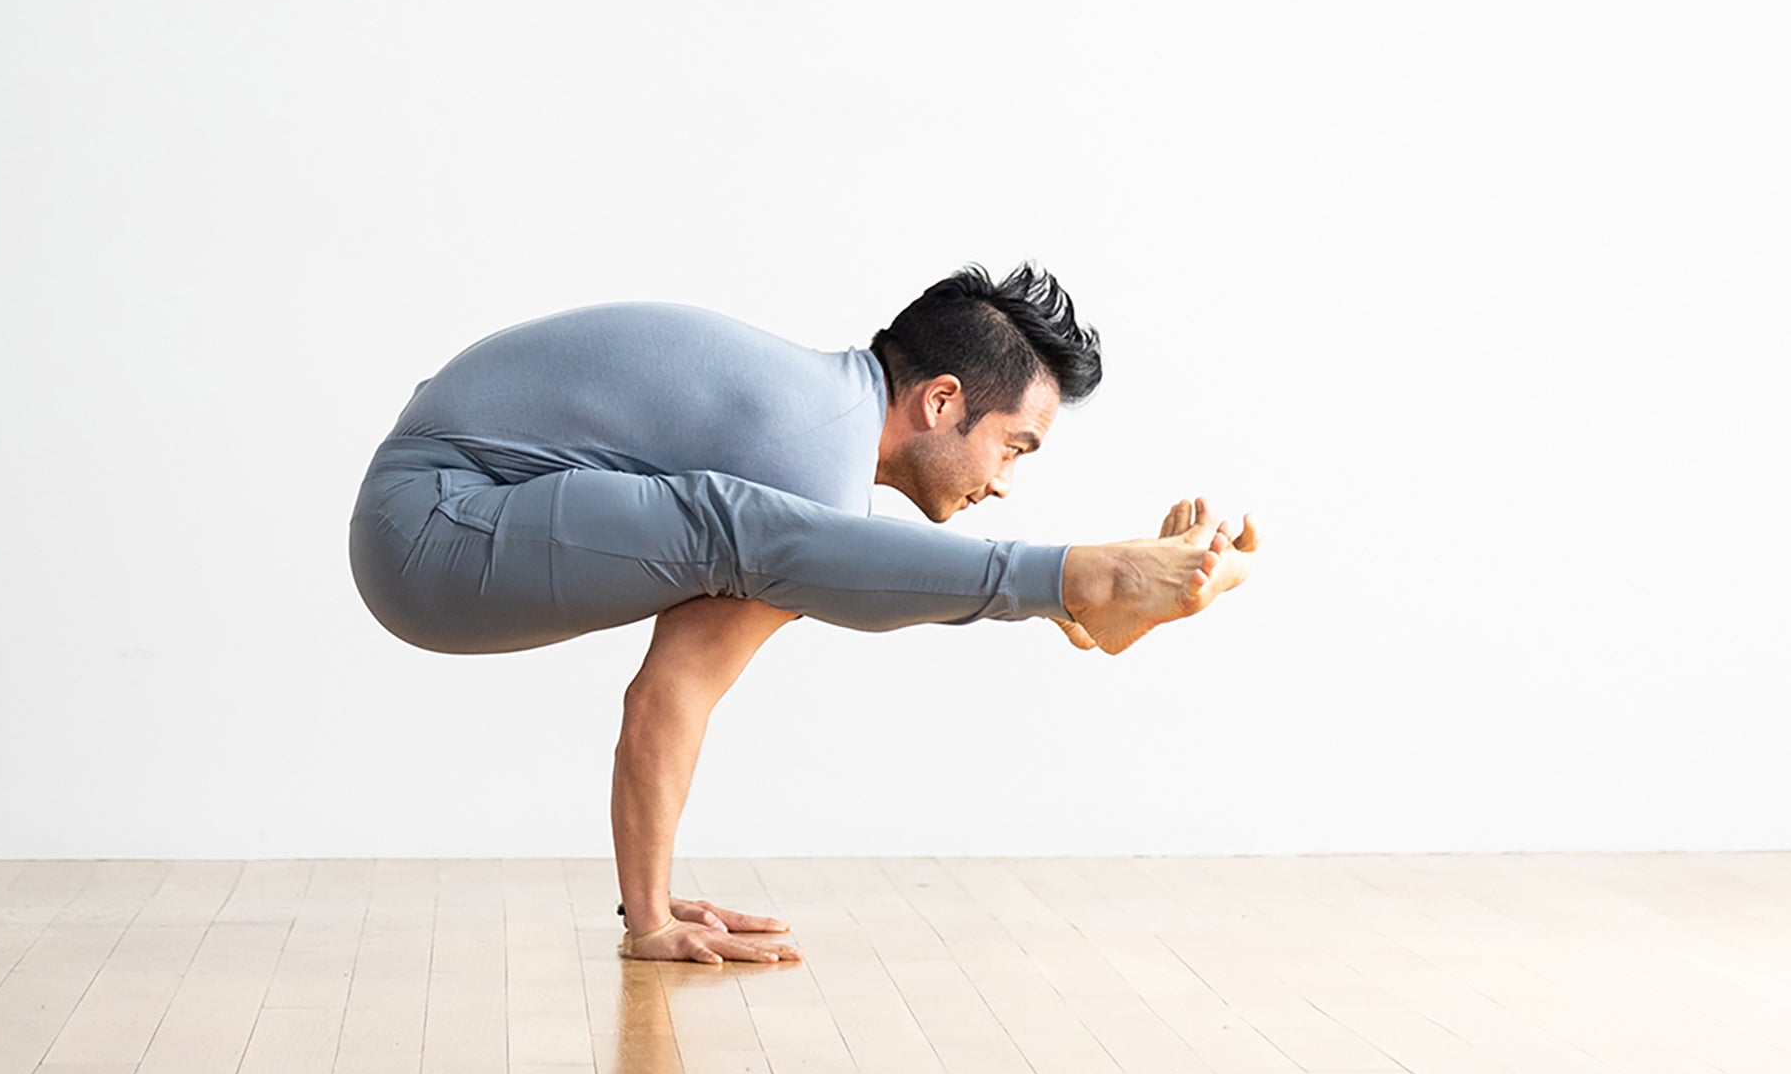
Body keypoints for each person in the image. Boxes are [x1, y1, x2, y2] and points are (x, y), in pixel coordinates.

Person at [346, 261, 1260, 966]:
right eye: (1012, 447)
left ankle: (1072, 591)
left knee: (773, 540)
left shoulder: (803, 461)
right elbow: (670, 696)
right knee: (759, 533)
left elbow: (674, 695)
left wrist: (651, 911)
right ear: (942, 401)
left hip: (451, 524)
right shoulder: (804, 464)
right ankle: (1077, 585)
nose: (1005, 484)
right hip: (431, 526)